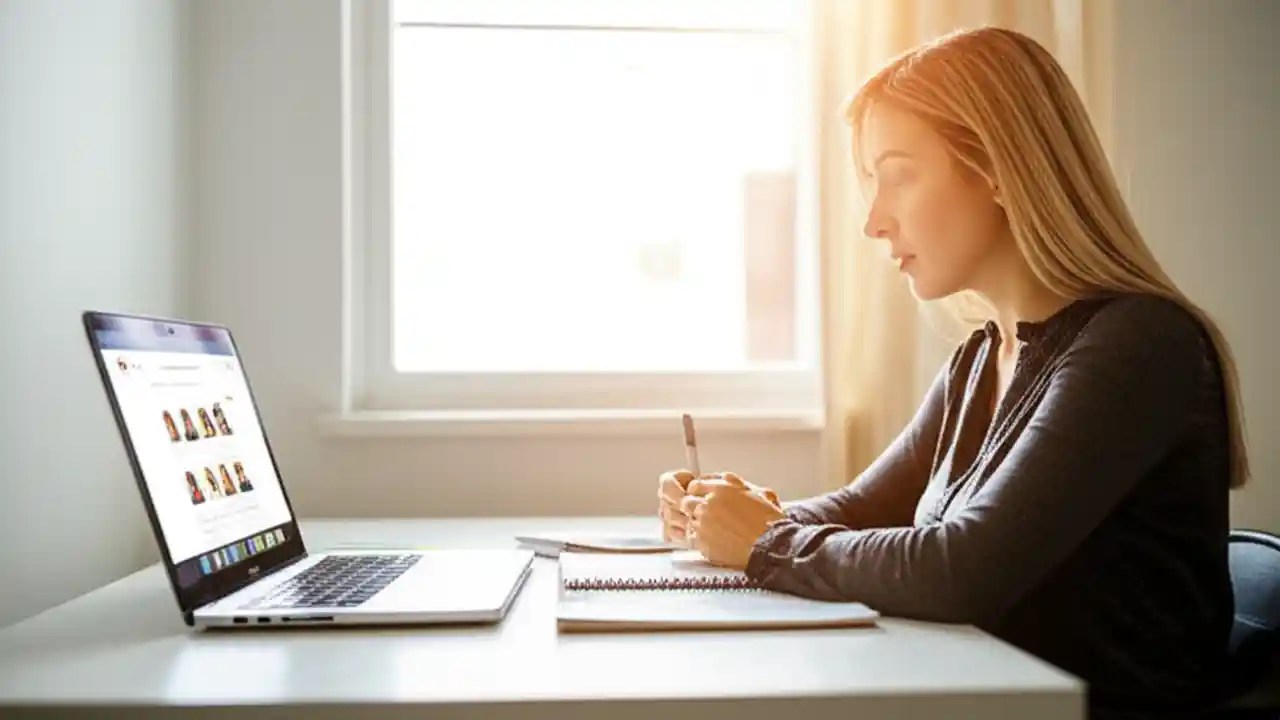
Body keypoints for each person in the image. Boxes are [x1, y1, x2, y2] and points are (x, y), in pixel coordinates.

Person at [657, 26, 1247, 719]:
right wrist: (725, 514)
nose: (874, 222)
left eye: (899, 176)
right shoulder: (981, 358)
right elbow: (859, 511)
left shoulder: (1140, 345)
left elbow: (959, 570)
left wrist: (766, 540)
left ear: (995, 165)